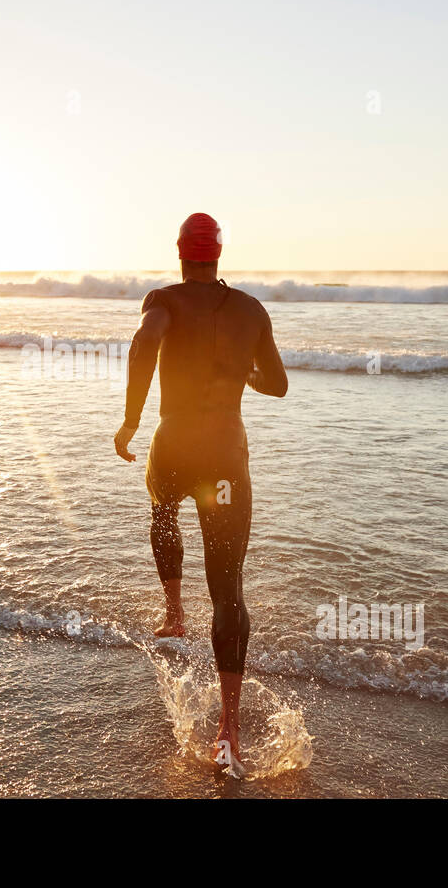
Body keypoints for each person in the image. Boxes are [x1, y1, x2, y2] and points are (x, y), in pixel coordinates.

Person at [114, 212, 287, 768]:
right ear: (219, 254)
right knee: (229, 584)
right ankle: (228, 730)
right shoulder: (251, 310)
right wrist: (242, 373)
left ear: (181, 253)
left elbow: (146, 342)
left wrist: (130, 420)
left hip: (173, 447)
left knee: (162, 510)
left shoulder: (161, 299)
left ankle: (173, 612)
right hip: (225, 462)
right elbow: (278, 384)